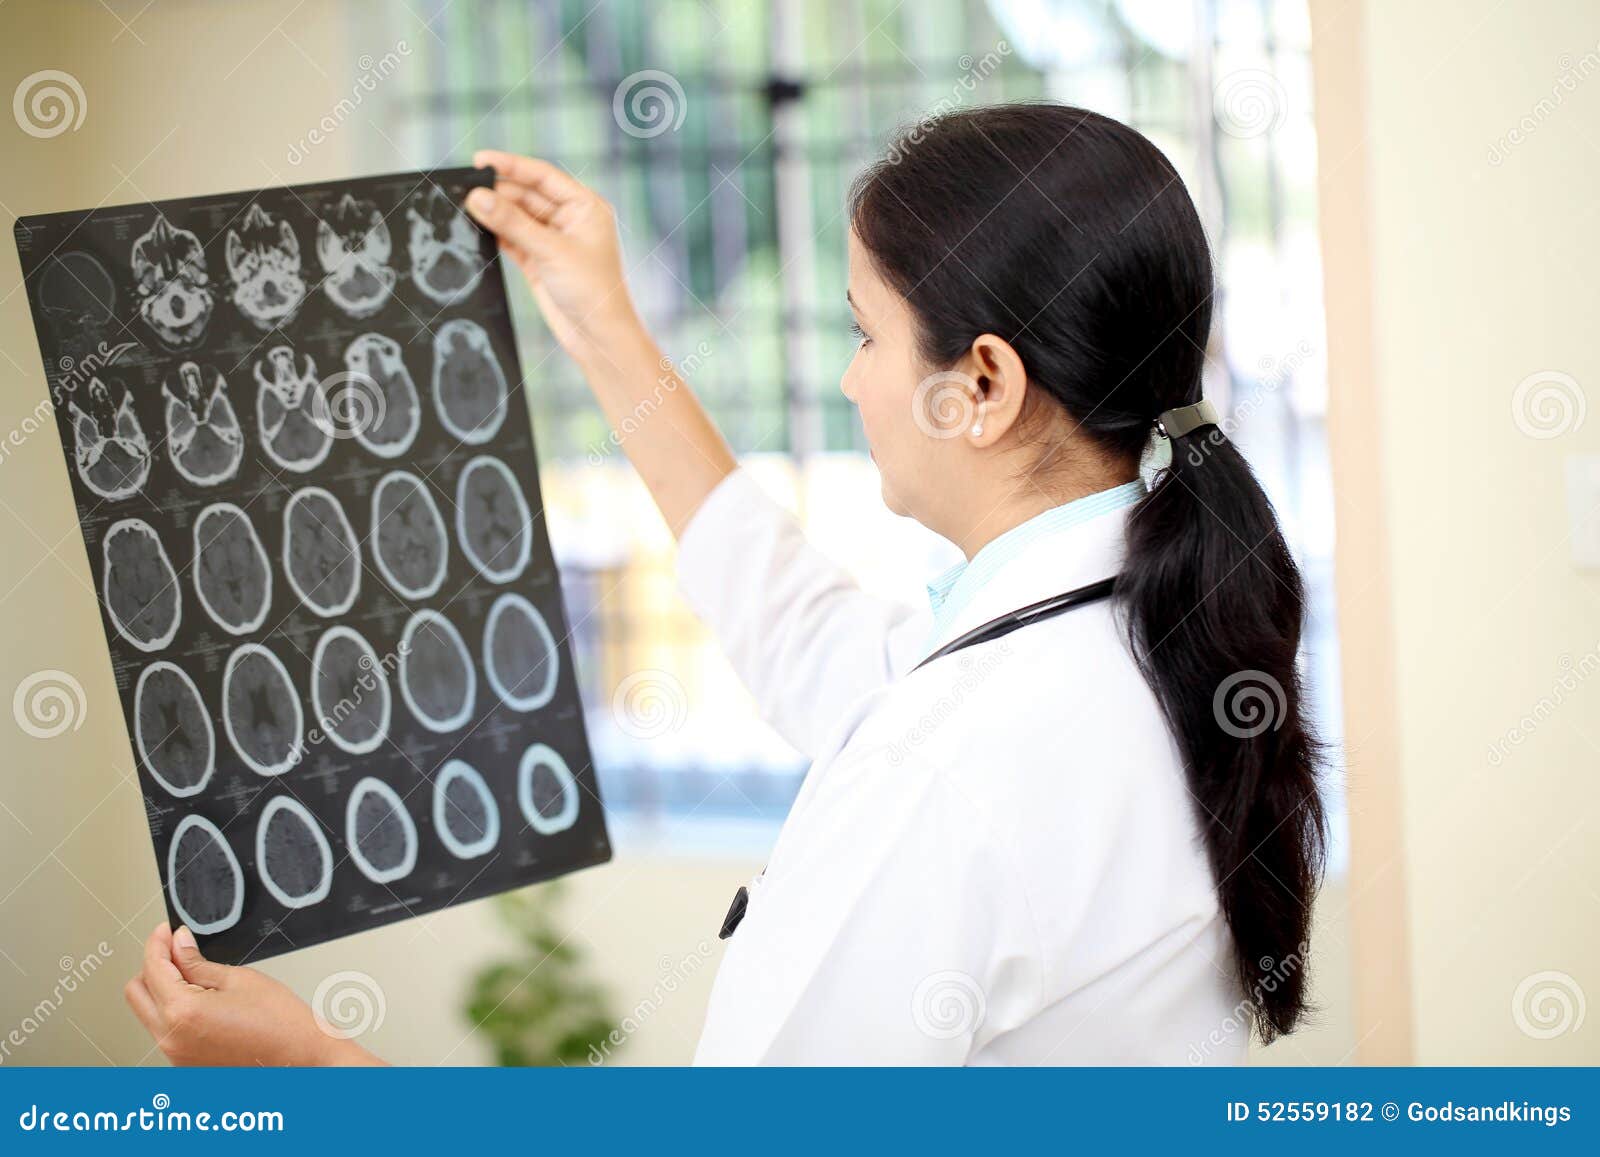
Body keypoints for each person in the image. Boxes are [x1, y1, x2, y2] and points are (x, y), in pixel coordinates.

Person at [127, 103, 1324, 1066]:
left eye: (865, 335)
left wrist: (314, 1066)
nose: (851, 382)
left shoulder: (949, 762)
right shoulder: (1148, 636)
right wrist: (604, 327)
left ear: (982, 385)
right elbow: (803, 627)